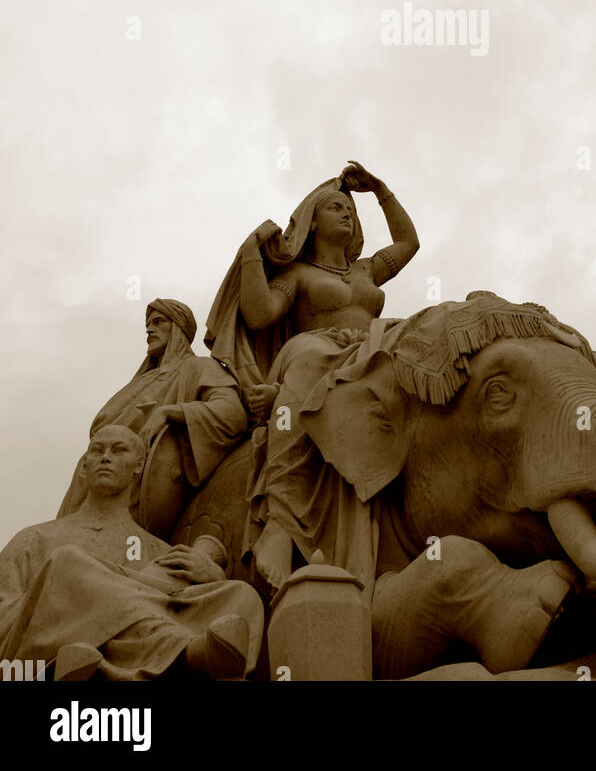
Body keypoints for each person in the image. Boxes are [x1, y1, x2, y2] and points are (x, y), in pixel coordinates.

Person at [0, 426, 264, 680]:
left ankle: (106, 661)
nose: (105, 457)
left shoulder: (160, 552)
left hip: (103, 649)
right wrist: (80, 594)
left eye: (118, 450)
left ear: (138, 466)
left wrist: (213, 577)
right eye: (97, 451)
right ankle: (187, 652)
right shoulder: (35, 538)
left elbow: (177, 606)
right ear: (84, 467)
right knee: (67, 563)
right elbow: (5, 618)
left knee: (241, 594)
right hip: (46, 645)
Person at [206, 160, 419, 414]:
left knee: (424, 330)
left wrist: (379, 189)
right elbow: (259, 317)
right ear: (313, 222)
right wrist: (251, 252)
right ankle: (285, 394)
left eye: (349, 210)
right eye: (335, 208)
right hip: (319, 352)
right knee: (312, 357)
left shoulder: (367, 269)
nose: (346, 214)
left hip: (372, 345)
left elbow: (408, 243)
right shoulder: (298, 274)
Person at [59, 299, 247, 520]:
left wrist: (170, 412)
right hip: (90, 481)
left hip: (139, 486)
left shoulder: (199, 367)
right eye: (148, 325)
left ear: (177, 328)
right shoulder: (141, 381)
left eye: (158, 322)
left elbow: (232, 412)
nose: (149, 330)